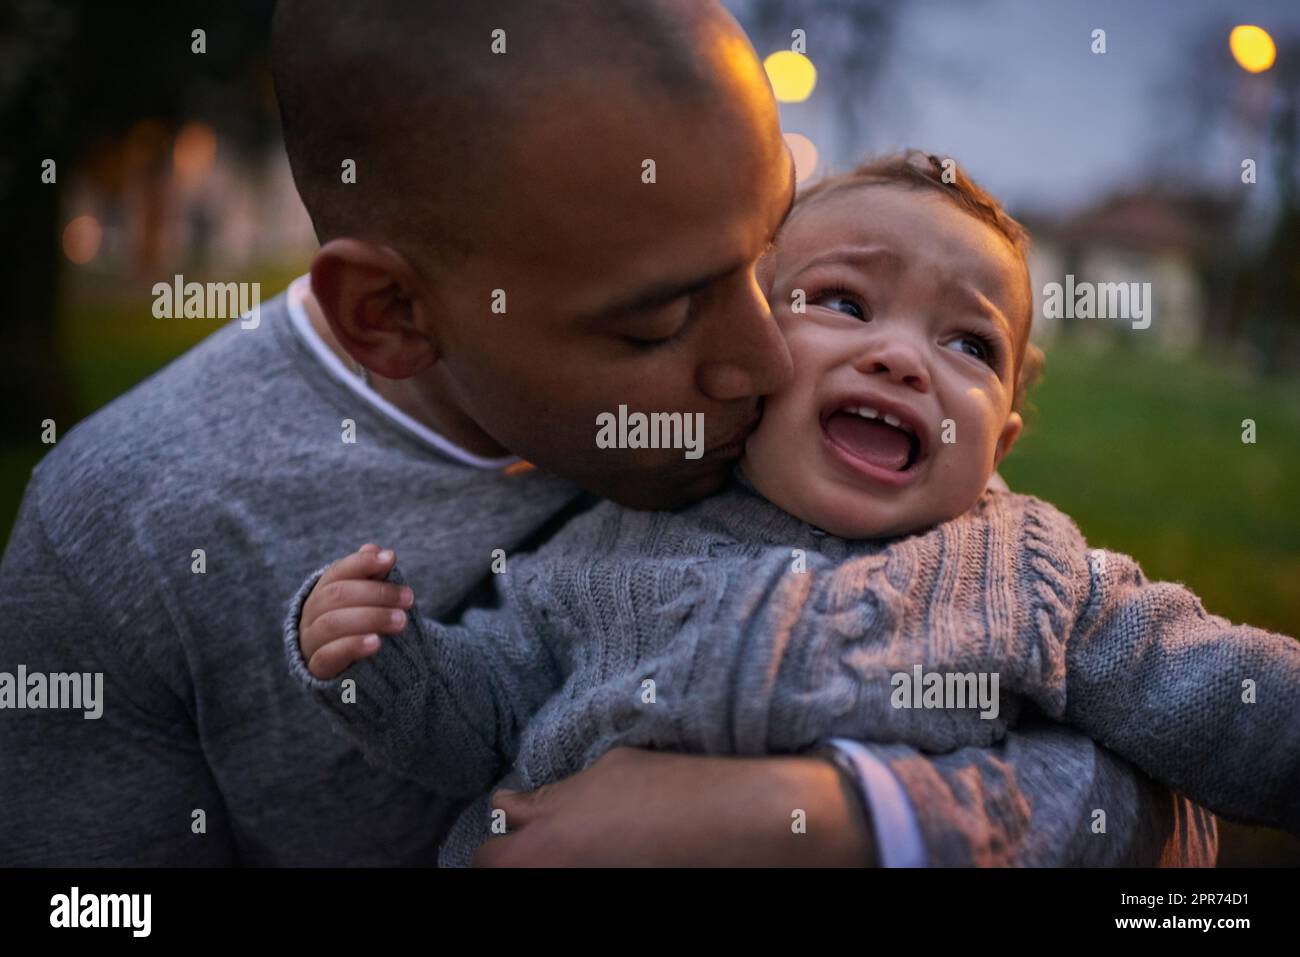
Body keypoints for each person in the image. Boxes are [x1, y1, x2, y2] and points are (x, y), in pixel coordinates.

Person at [0, 2, 1213, 866]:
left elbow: (1162, 787)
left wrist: (829, 818)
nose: (765, 358)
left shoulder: (823, 394)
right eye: (659, 324)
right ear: (393, 317)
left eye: (762, 261)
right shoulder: (123, 533)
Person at [287, 153, 1283, 866]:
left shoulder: (1036, 575)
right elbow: (484, 713)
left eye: (968, 345)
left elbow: (1210, 687)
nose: (899, 356)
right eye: (842, 303)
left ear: (1000, 443)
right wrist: (382, 662)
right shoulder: (619, 531)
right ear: (749, 349)